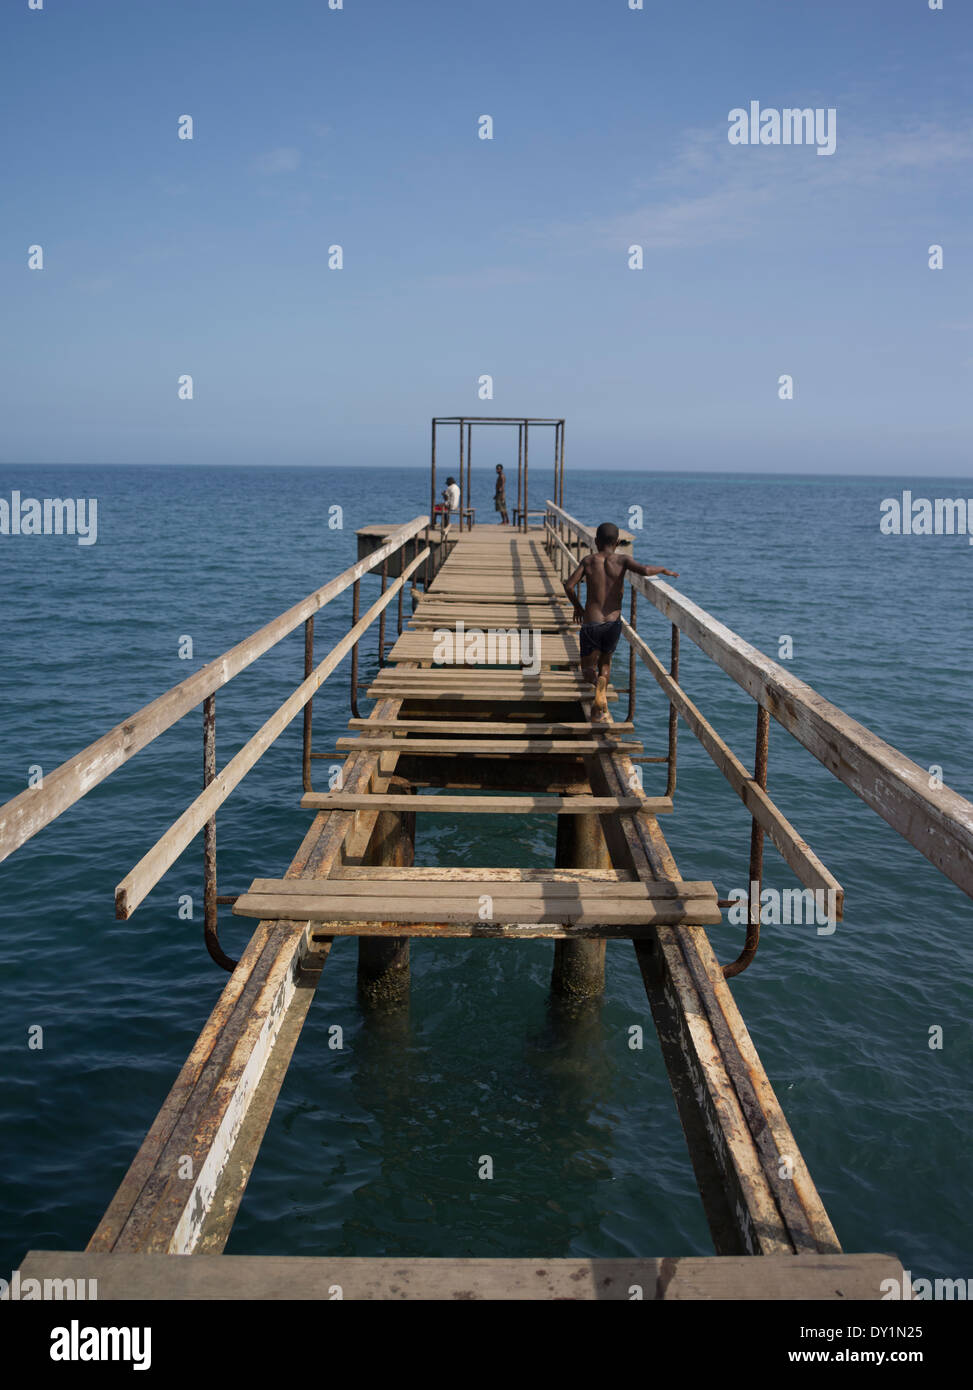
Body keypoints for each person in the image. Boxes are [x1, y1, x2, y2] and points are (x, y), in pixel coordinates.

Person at [563, 521, 679, 722]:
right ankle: (599, 705)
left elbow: (569, 586)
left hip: (591, 623)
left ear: (596, 541)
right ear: (617, 542)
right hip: (612, 623)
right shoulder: (623, 560)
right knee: (605, 664)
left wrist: (578, 607)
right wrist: (662, 569)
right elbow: (644, 570)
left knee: (587, 669)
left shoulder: (589, 561)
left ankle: (595, 684)